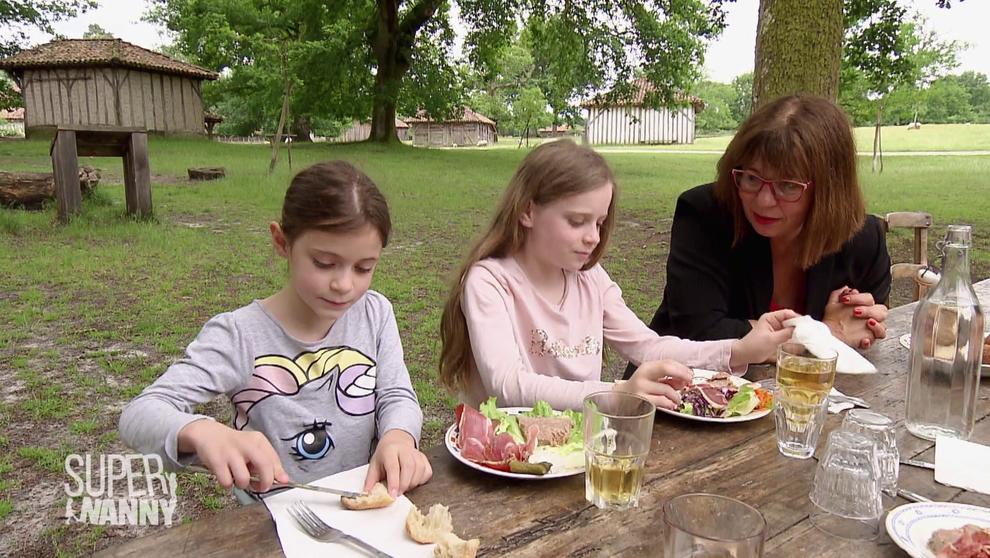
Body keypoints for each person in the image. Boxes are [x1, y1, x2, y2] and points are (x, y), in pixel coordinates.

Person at [119, 161, 431, 500]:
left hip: (366, 506)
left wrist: (399, 437)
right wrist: (202, 431)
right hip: (275, 522)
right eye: (324, 263)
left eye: (363, 268)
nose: (344, 284)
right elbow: (141, 413)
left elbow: (396, 395)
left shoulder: (374, 313)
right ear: (282, 243)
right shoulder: (240, 335)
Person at [438, 139, 797, 412]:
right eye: (576, 221)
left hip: (577, 449)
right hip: (502, 454)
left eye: (598, 222)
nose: (593, 237)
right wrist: (617, 394)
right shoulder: (490, 281)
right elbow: (507, 385)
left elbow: (648, 345)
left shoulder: (589, 278)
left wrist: (739, 347)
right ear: (528, 211)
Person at [628, 95, 890, 381]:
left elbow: (865, 326)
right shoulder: (705, 214)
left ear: (829, 191)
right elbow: (700, 332)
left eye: (788, 185)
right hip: (680, 393)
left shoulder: (862, 238)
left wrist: (860, 325)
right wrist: (821, 336)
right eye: (751, 178)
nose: (763, 201)